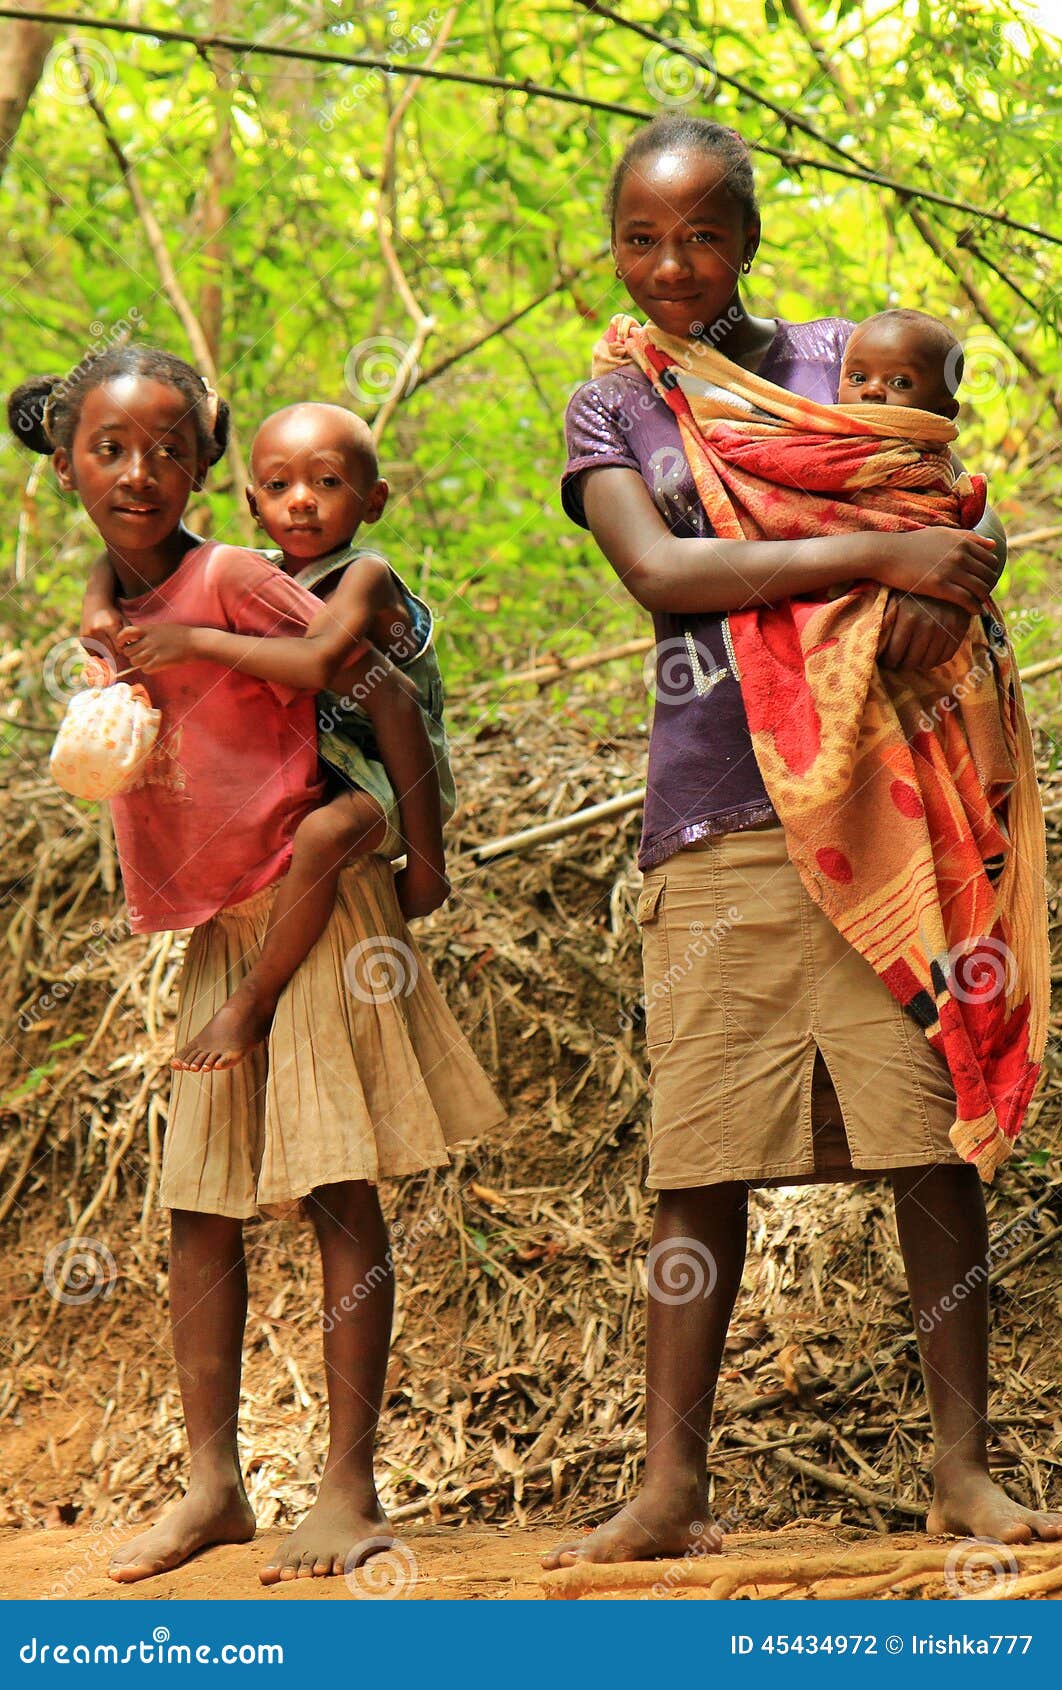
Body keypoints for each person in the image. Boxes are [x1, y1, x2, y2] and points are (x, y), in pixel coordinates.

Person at [544, 116, 1059, 1568]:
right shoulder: (613, 404)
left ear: (747, 236)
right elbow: (661, 569)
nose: (667, 266)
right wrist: (874, 556)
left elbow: (951, 500)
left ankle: (962, 1467)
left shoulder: (845, 363)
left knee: (925, 1138)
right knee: (696, 1153)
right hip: (717, 806)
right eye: (639, 237)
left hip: (888, 797)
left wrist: (950, 576)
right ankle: (668, 1484)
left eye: (699, 234)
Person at [8, 346, 504, 1585]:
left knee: (336, 1188)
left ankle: (345, 1487)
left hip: (318, 902)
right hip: (221, 917)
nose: (138, 473)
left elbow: (373, 675)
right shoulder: (115, 599)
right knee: (199, 1202)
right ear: (64, 463)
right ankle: (213, 1487)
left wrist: (426, 849)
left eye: (168, 450)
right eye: (109, 450)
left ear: (200, 468)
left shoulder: (232, 580)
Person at [82, 401, 454, 1071]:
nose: (302, 503)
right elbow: (127, 558)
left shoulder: (366, 576)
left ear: (374, 500)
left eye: (329, 483)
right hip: (325, 770)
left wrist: (197, 639)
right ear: (254, 505)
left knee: (318, 836)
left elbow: (316, 663)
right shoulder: (263, 572)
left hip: (390, 775)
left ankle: (253, 1001)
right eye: (279, 487)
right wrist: (98, 602)